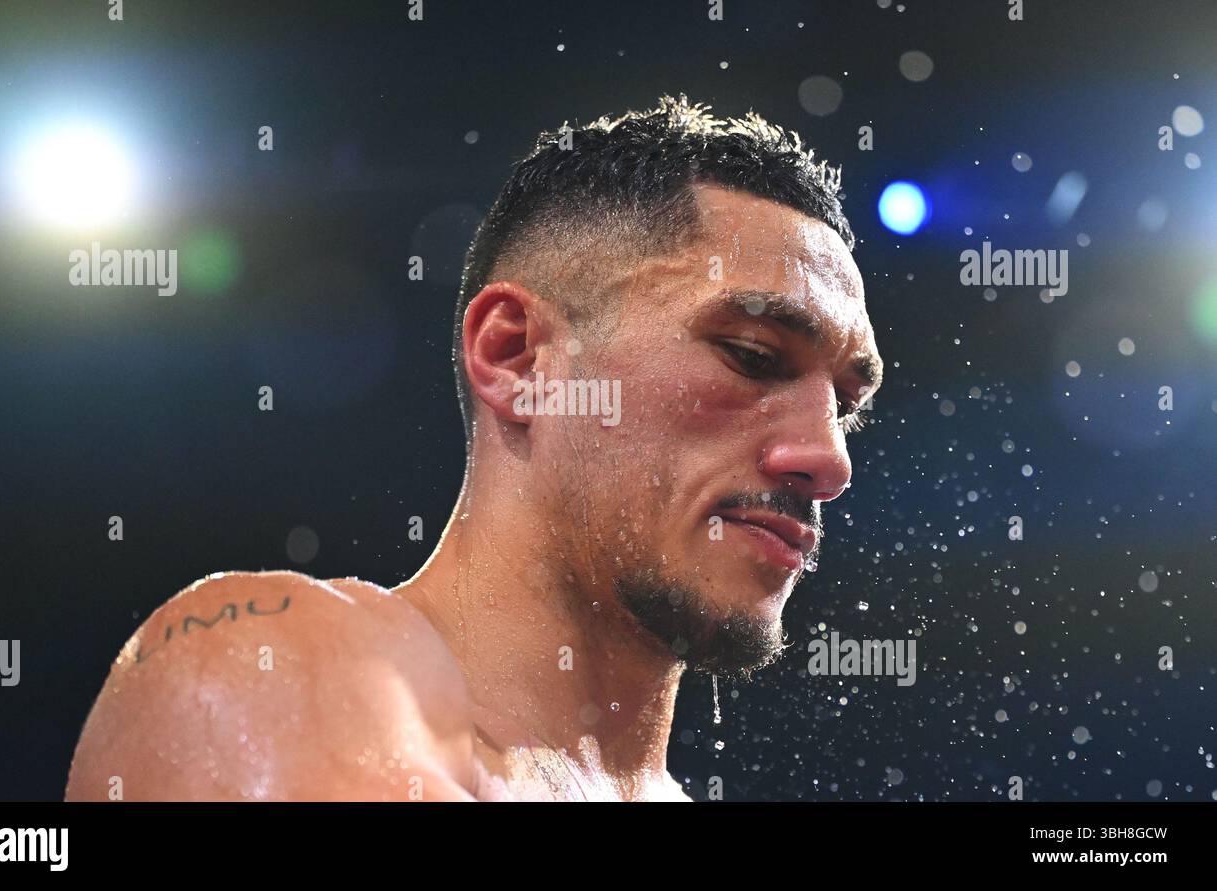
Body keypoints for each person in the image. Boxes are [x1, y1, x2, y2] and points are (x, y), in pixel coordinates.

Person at [66, 95, 883, 801]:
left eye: (844, 406)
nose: (829, 459)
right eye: (753, 355)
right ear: (518, 358)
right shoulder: (269, 664)